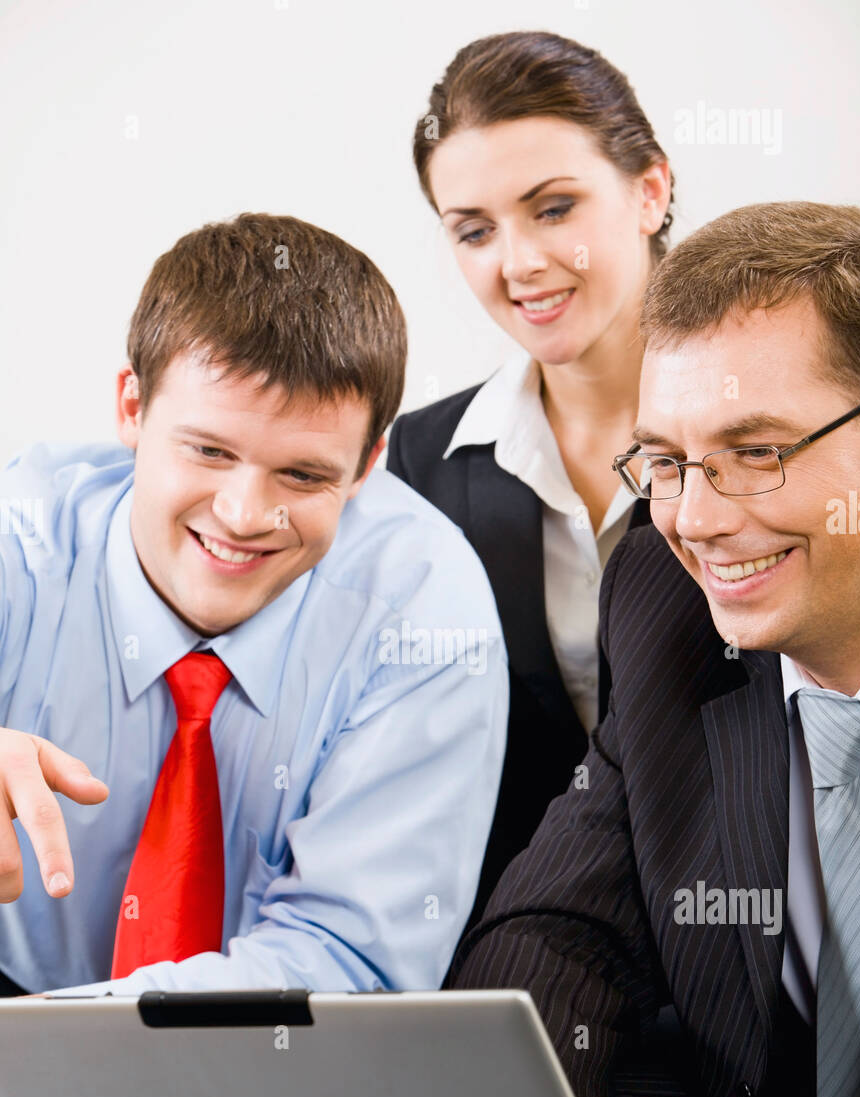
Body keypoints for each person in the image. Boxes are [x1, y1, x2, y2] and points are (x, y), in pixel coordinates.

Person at [449, 201, 860, 1097]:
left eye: (754, 453)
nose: (695, 517)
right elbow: (562, 925)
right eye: (666, 461)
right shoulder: (661, 597)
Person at [0, 211, 507, 1003]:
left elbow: (347, 963)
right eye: (208, 450)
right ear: (132, 409)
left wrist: (50, 1050)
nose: (242, 514)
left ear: (369, 463)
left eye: (303, 476)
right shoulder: (18, 540)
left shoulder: (425, 608)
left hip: (279, 1055)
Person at [387, 31, 671, 914]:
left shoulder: (780, 434)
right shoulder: (415, 463)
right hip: (520, 959)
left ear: (650, 192)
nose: (517, 263)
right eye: (474, 231)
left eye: (553, 209)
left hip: (770, 962)